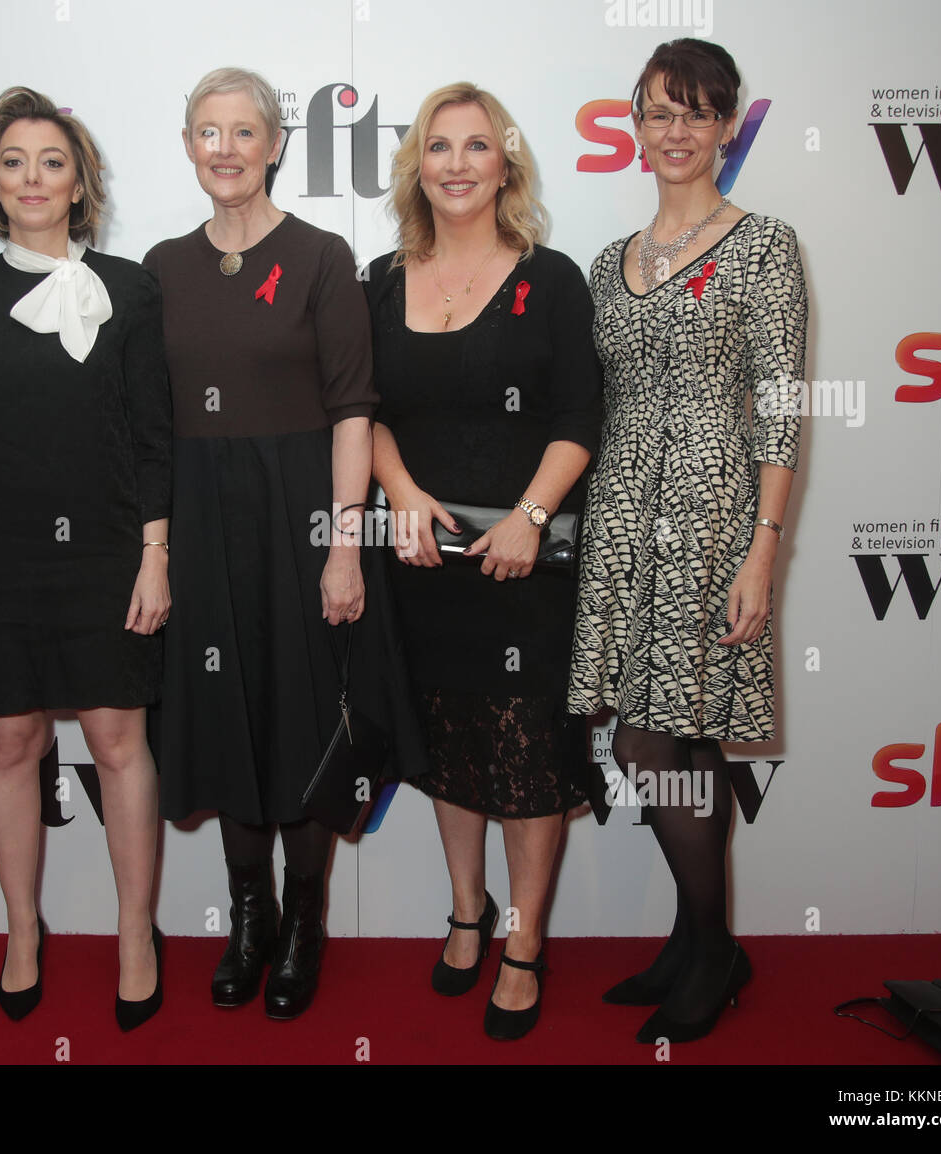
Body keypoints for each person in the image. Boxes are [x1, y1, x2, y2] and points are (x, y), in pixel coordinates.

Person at [143, 66, 422, 1020]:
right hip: (201, 518)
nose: (224, 149)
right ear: (188, 147)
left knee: (302, 719)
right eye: (207, 132)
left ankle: (305, 925)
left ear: (274, 147)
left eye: (243, 132)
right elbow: (146, 421)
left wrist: (344, 547)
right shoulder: (162, 267)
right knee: (227, 720)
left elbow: (353, 410)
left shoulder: (320, 256)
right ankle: (248, 919)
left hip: (304, 513)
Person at [0, 86, 171, 1030]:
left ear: (79, 183)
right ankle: (23, 931)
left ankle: (134, 936)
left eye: (52, 162)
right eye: (14, 161)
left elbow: (155, 437)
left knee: (117, 744)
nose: (32, 178)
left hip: (108, 553)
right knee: (10, 743)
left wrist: (155, 556)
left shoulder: (132, 289)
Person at [569, 38, 806, 1043]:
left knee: (658, 734)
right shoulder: (602, 260)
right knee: (662, 728)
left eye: (696, 114)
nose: (675, 131)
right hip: (623, 511)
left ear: (725, 128)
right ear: (636, 123)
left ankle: (713, 947)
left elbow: (782, 405)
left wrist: (766, 547)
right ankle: (694, 936)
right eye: (658, 112)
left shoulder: (764, 243)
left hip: (712, 518)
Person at [364, 83, 602, 1040]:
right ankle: (467, 911)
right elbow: (365, 411)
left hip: (524, 565)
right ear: (416, 165)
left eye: (475, 146)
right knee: (451, 742)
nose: (456, 164)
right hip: (423, 562)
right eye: (438, 147)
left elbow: (577, 416)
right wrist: (402, 495)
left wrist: (531, 515)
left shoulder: (552, 277)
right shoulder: (381, 279)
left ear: (506, 163)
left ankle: (525, 941)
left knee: (527, 754)